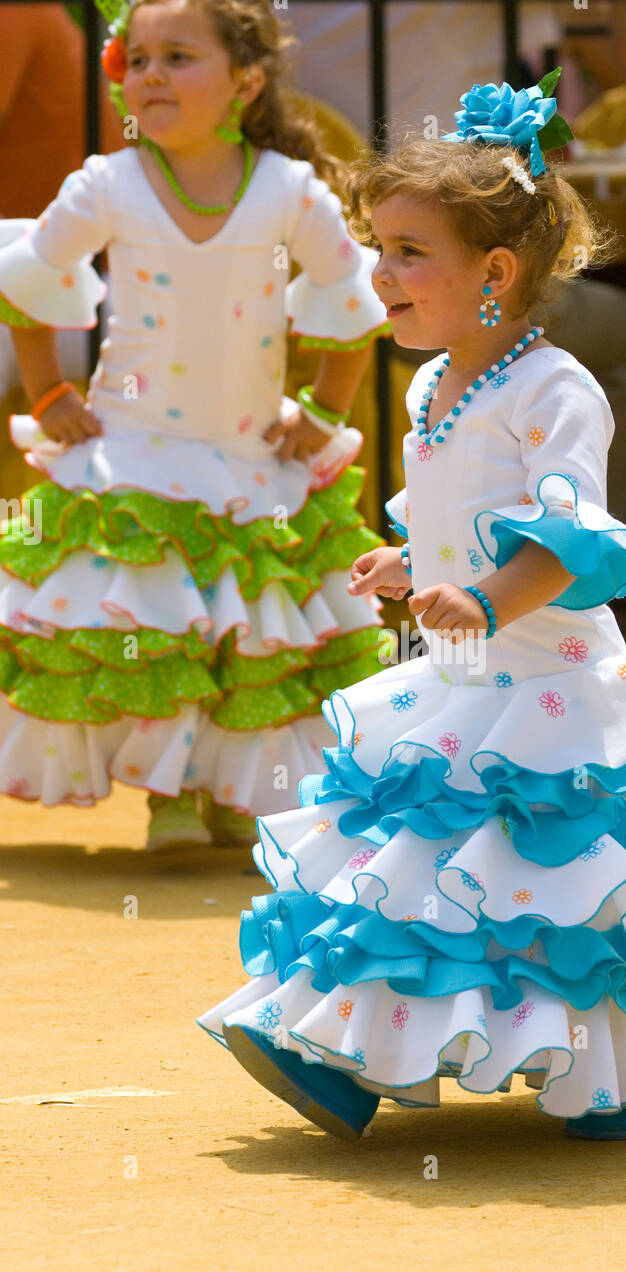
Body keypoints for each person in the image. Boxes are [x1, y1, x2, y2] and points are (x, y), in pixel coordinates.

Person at [198, 74, 626, 1142]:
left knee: (569, 890)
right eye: (374, 246)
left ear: (492, 272)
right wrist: (413, 566)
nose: (377, 272)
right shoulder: (428, 386)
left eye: (405, 252)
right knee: (414, 873)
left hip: (552, 689)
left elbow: (566, 538)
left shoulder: (557, 390)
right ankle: (344, 1054)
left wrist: (480, 597)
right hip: (461, 684)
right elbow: (463, 523)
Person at [0, 0, 389, 850]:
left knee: (244, 624)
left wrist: (324, 408)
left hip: (247, 448)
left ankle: (230, 791)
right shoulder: (110, 182)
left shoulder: (289, 190)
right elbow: (30, 272)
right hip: (133, 452)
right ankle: (168, 793)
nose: (150, 75)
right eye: (136, 59)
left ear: (245, 82)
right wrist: (47, 394)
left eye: (178, 57)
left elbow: (353, 298)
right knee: (156, 619)